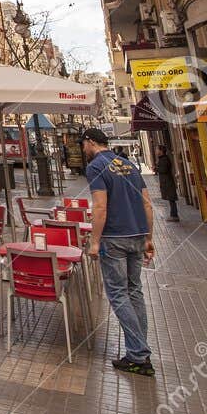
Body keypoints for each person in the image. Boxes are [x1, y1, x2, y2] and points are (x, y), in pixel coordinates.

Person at [83, 126, 156, 377]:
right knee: (134, 291)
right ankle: (141, 353)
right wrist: (148, 237)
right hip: (137, 234)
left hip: (114, 238)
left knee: (118, 295)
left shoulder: (95, 167)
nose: (83, 150)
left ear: (90, 142)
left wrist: (94, 242)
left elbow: (100, 207)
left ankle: (137, 353)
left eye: (84, 145)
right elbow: (147, 203)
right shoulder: (128, 165)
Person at [153, 144, 180, 222]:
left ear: (161, 151)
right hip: (166, 181)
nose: (156, 151)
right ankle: (173, 215)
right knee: (170, 199)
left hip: (167, 181)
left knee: (171, 199)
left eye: (157, 150)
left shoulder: (164, 159)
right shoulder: (162, 159)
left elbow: (164, 170)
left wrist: (156, 169)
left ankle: (174, 215)